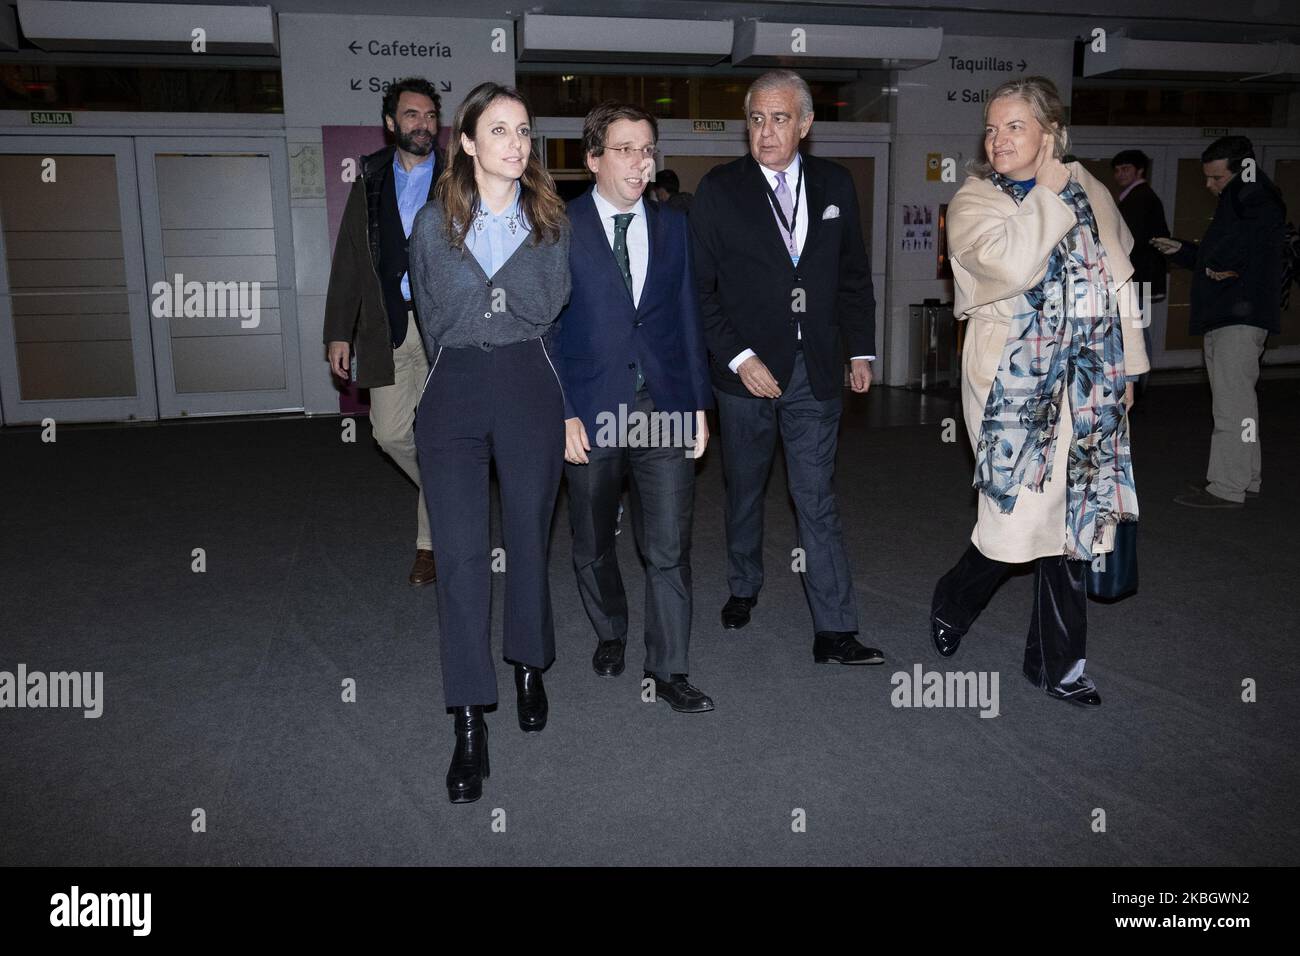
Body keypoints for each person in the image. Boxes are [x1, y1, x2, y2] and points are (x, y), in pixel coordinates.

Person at [930, 77, 1149, 707]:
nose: (998, 140)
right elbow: (1011, 266)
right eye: (992, 129)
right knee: (1015, 520)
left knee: (1072, 521)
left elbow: (1119, 283)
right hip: (1010, 385)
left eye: (1014, 127)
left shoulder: (1092, 189)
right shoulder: (974, 201)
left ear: (1051, 133)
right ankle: (954, 599)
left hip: (1087, 378)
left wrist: (1129, 370)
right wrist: (1048, 195)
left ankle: (1057, 665)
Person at [408, 82, 571, 803]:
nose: (516, 143)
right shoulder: (431, 223)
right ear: (468, 142)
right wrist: (492, 308)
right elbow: (438, 316)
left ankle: (529, 663)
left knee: (530, 537)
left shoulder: (550, 221)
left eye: (524, 131)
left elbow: (547, 305)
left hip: (529, 383)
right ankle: (469, 717)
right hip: (455, 384)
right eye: (499, 130)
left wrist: (491, 300)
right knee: (460, 557)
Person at [691, 69, 883, 667]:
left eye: (779, 119)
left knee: (815, 497)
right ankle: (743, 584)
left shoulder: (834, 184)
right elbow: (700, 292)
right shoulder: (720, 189)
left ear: (805, 124)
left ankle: (835, 630)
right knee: (745, 490)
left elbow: (853, 275)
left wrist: (860, 349)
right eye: (756, 119)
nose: (766, 131)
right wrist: (740, 357)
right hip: (745, 375)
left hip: (815, 370)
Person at [551, 102, 715, 713]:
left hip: (662, 405)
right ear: (593, 158)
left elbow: (687, 319)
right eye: (625, 149)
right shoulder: (559, 227)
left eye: (647, 150)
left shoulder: (674, 226)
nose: (640, 162)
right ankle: (611, 629)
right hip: (591, 409)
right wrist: (563, 410)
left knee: (669, 547)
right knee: (593, 540)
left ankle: (669, 669)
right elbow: (544, 329)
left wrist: (697, 405)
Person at [324, 78, 442, 587]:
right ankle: (451, 490)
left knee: (438, 434)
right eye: (412, 115)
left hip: (445, 330)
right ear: (392, 123)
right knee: (390, 434)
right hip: (386, 326)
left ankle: (430, 544)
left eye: (431, 115)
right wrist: (339, 330)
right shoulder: (370, 176)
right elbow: (350, 258)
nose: (423, 124)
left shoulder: (458, 177)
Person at [1158, 136, 1286, 509]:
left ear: (1242, 169)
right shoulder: (1245, 198)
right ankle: (1246, 477)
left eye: (1216, 178)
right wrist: (1185, 251)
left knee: (1232, 407)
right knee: (1241, 405)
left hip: (1237, 318)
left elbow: (1249, 235)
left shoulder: (1251, 192)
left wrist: (1221, 261)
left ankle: (1228, 486)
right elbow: (1228, 250)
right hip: (1234, 317)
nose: (1209, 185)